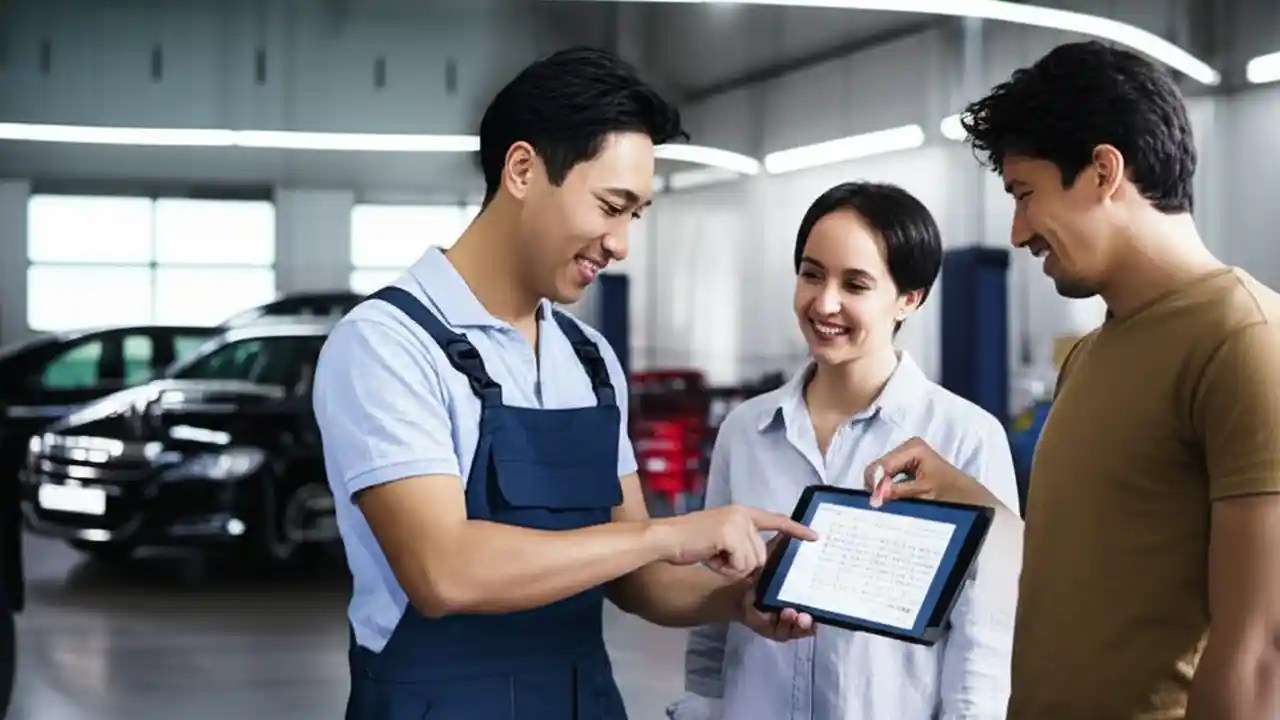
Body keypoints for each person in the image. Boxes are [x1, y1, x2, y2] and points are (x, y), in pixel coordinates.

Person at [311, 47, 819, 720]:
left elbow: (638, 580)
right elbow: (444, 571)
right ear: (522, 169)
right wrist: (672, 534)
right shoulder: (387, 344)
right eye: (611, 206)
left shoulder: (588, 359)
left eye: (633, 215)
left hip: (583, 698)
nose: (620, 243)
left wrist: (741, 600)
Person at [869, 40, 1280, 719]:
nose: (1017, 230)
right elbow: (1100, 568)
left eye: (1025, 195)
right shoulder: (1091, 354)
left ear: (1103, 171)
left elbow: (1261, 650)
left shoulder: (1243, 341)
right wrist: (970, 497)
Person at [667, 182, 1021, 720]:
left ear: (910, 297)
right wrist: (700, 706)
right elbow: (714, 610)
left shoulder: (965, 438)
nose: (824, 303)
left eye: (855, 284)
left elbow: (985, 632)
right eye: (811, 274)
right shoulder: (746, 431)